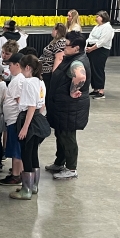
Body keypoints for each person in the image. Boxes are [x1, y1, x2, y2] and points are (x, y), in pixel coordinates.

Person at [45, 35, 91, 180]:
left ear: (76, 48)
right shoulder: (71, 58)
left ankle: (71, 168)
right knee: (61, 134)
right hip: (62, 106)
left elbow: (80, 76)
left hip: (70, 107)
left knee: (67, 136)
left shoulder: (77, 62)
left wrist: (73, 91)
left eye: (67, 46)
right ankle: (60, 162)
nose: (64, 48)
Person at [11, 55, 49, 200]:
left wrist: (25, 127)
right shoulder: (40, 82)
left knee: (26, 154)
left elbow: (31, 106)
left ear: (28, 68)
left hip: (28, 119)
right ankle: (34, 186)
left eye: (21, 68)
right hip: (38, 119)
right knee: (33, 153)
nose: (20, 72)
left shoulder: (28, 83)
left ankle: (26, 189)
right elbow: (41, 104)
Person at [0, 56, 26, 186]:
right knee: (16, 148)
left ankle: (16, 175)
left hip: (15, 120)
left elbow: (20, 101)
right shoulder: (18, 79)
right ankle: (18, 171)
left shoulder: (18, 81)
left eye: (10, 65)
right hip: (13, 119)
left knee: (16, 149)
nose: (8, 68)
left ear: (17, 64)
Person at [86, 10, 114, 99]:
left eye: (98, 16)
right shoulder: (97, 27)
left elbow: (102, 41)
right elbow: (90, 37)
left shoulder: (107, 28)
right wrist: (87, 46)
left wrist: (92, 48)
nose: (96, 18)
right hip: (92, 49)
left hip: (100, 50)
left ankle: (101, 90)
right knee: (92, 69)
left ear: (103, 17)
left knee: (98, 69)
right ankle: (95, 88)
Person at [41, 23, 68, 88]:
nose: (52, 31)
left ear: (57, 31)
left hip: (49, 72)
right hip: (46, 71)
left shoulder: (60, 42)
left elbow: (59, 58)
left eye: (53, 29)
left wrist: (54, 73)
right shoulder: (55, 41)